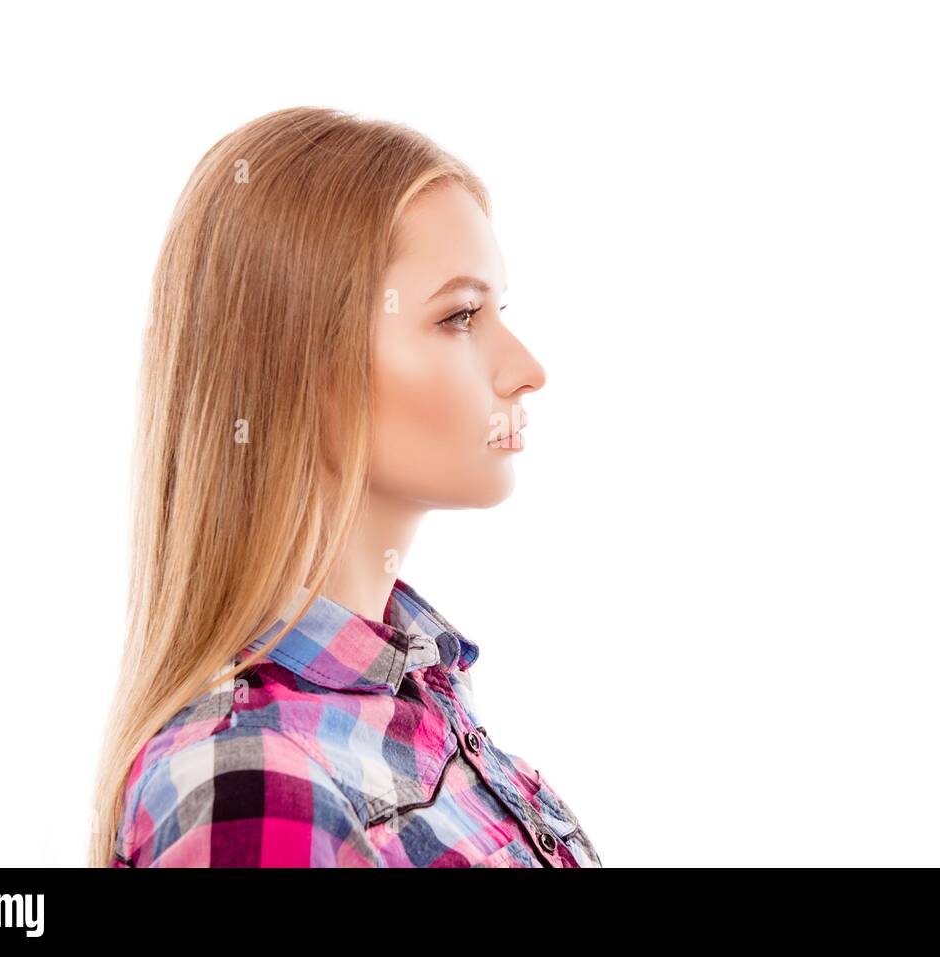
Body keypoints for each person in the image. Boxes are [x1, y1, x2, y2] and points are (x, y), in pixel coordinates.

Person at [87, 107, 602, 868]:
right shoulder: (254, 782)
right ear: (309, 373)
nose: (525, 368)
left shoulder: (420, 698)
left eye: (499, 311)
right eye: (461, 315)